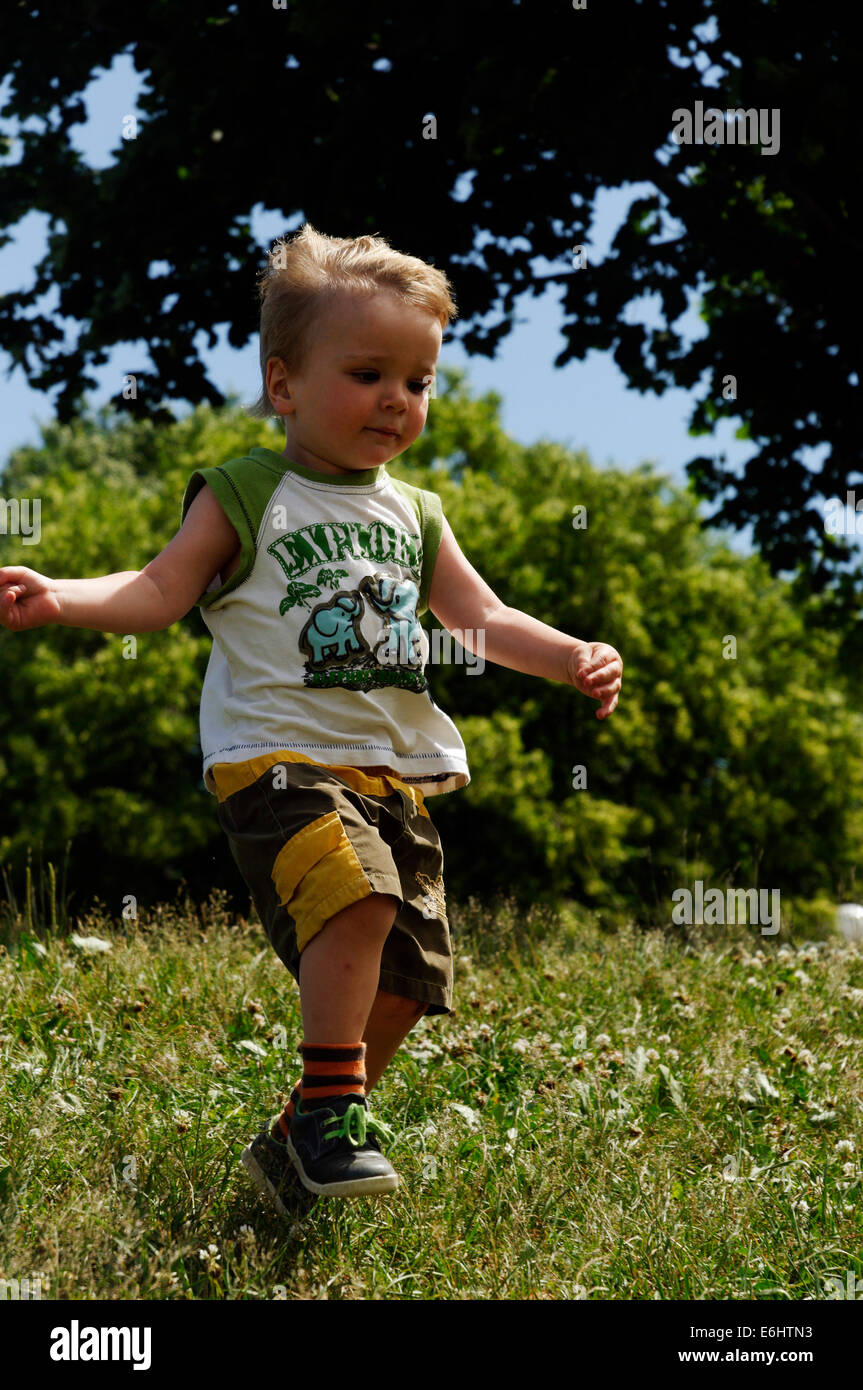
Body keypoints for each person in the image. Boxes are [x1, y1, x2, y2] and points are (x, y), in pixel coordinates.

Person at [0, 224, 623, 1209]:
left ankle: (298, 1137)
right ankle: (334, 1118)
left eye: (418, 382)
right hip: (276, 762)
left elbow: (480, 616)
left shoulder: (413, 514)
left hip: (390, 771)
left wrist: (567, 657)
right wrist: (62, 594)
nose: (397, 400)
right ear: (283, 385)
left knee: (411, 976)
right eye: (368, 371)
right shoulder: (247, 491)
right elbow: (161, 589)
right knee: (358, 898)